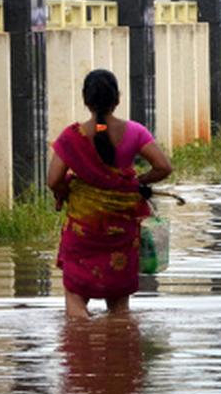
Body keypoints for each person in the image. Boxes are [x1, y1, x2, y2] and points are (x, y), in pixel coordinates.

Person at [47, 69, 173, 318]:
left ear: (85, 99)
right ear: (118, 99)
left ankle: (82, 351)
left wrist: (67, 192)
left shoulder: (72, 137)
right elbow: (163, 168)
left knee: (75, 296)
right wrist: (136, 182)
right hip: (121, 231)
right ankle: (119, 349)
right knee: (118, 307)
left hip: (85, 230)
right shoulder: (136, 132)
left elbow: (53, 180)